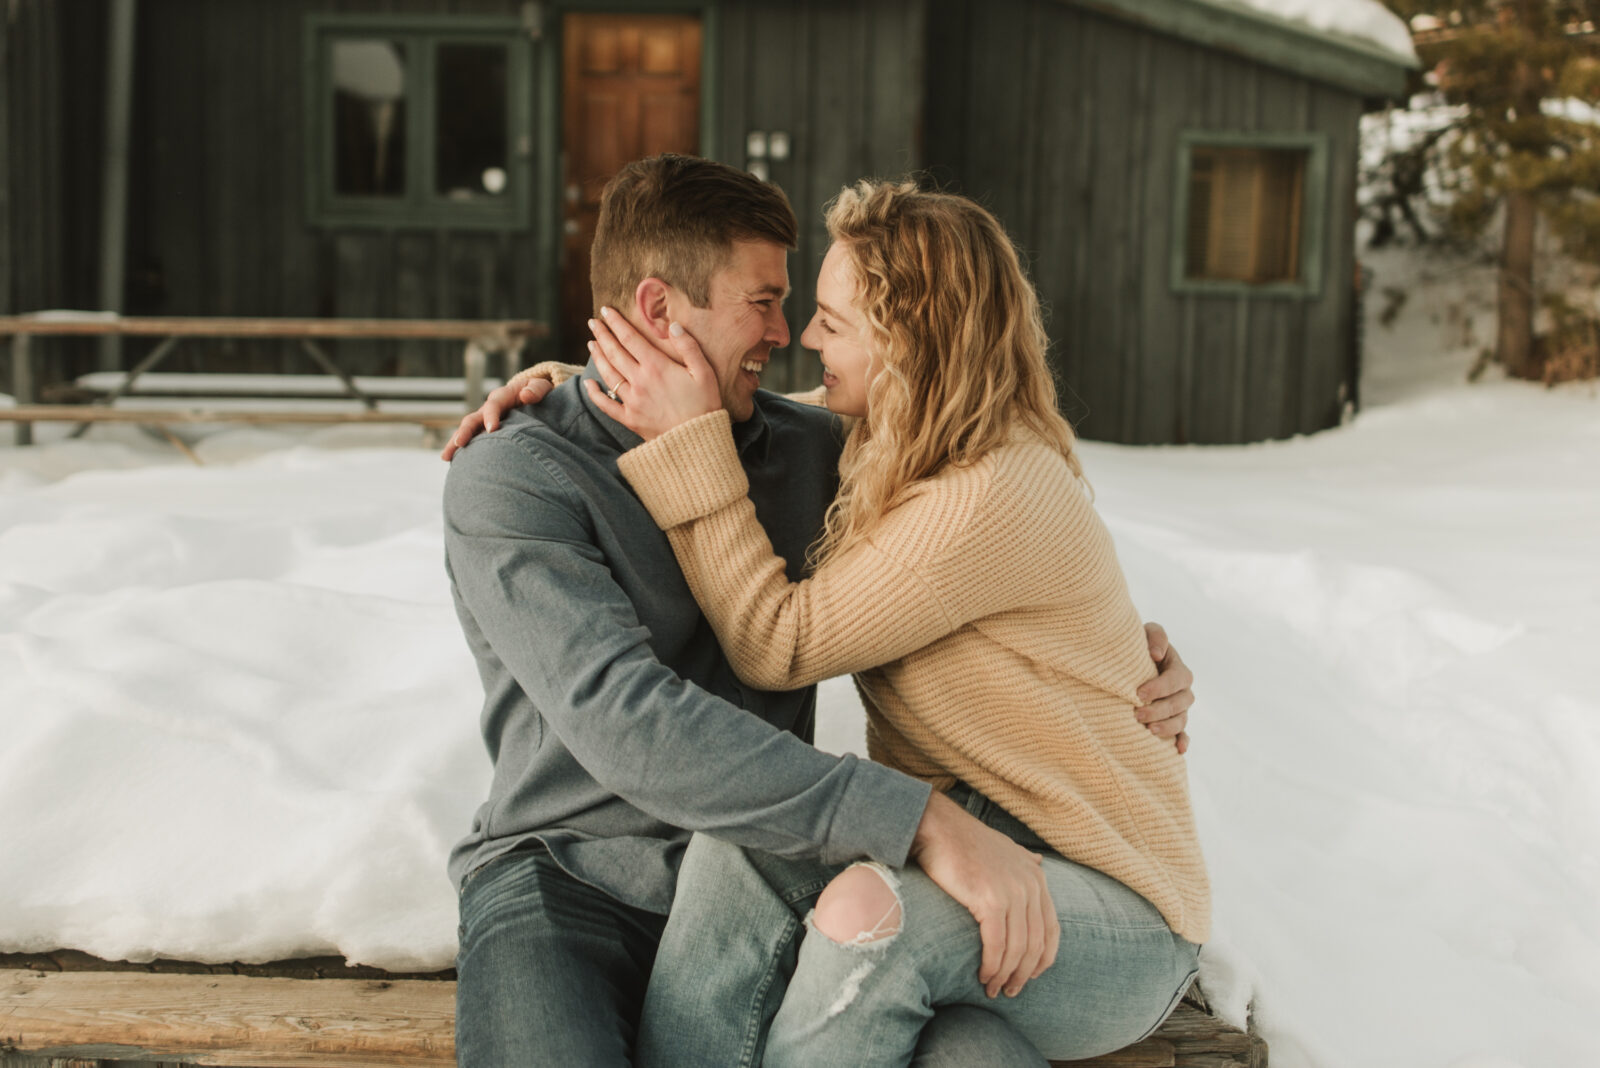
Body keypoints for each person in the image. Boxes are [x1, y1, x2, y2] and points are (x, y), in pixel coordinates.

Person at [440, 154, 1195, 1067]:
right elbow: (629, 721)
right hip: (573, 875)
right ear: (654, 314)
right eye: (763, 303)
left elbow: (974, 518)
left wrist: (1136, 661)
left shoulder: (816, 452)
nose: (788, 333)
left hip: (772, 859)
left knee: (944, 1023)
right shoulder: (516, 474)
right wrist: (576, 384)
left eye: (813, 313)